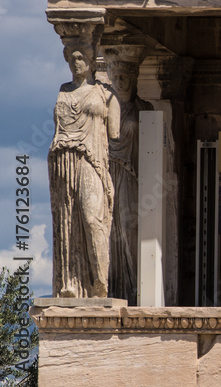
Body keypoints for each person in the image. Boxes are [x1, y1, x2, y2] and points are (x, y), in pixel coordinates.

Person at [49, 40, 120, 298]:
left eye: (81, 57)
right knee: (67, 221)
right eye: (72, 57)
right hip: (63, 160)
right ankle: (72, 286)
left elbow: (115, 133)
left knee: (92, 219)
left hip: (92, 160)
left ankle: (100, 283)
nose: (76, 62)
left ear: (91, 61)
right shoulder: (63, 91)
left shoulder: (107, 95)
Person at [106, 56, 151, 305]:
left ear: (134, 79)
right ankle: (115, 288)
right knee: (109, 228)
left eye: (125, 76)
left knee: (129, 226)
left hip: (133, 175)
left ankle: (137, 288)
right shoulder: (104, 108)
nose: (121, 81)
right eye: (116, 77)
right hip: (109, 172)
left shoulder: (143, 109)